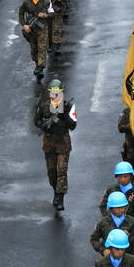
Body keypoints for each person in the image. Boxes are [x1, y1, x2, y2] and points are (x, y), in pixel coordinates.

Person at [34, 78, 77, 211]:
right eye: (53, 93)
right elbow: (36, 121)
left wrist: (65, 117)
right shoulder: (44, 106)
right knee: (52, 173)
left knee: (62, 171)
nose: (55, 96)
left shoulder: (68, 107)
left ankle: (60, 198)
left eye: (57, 93)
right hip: (49, 144)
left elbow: (73, 125)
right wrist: (43, 125)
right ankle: (56, 191)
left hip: (63, 144)